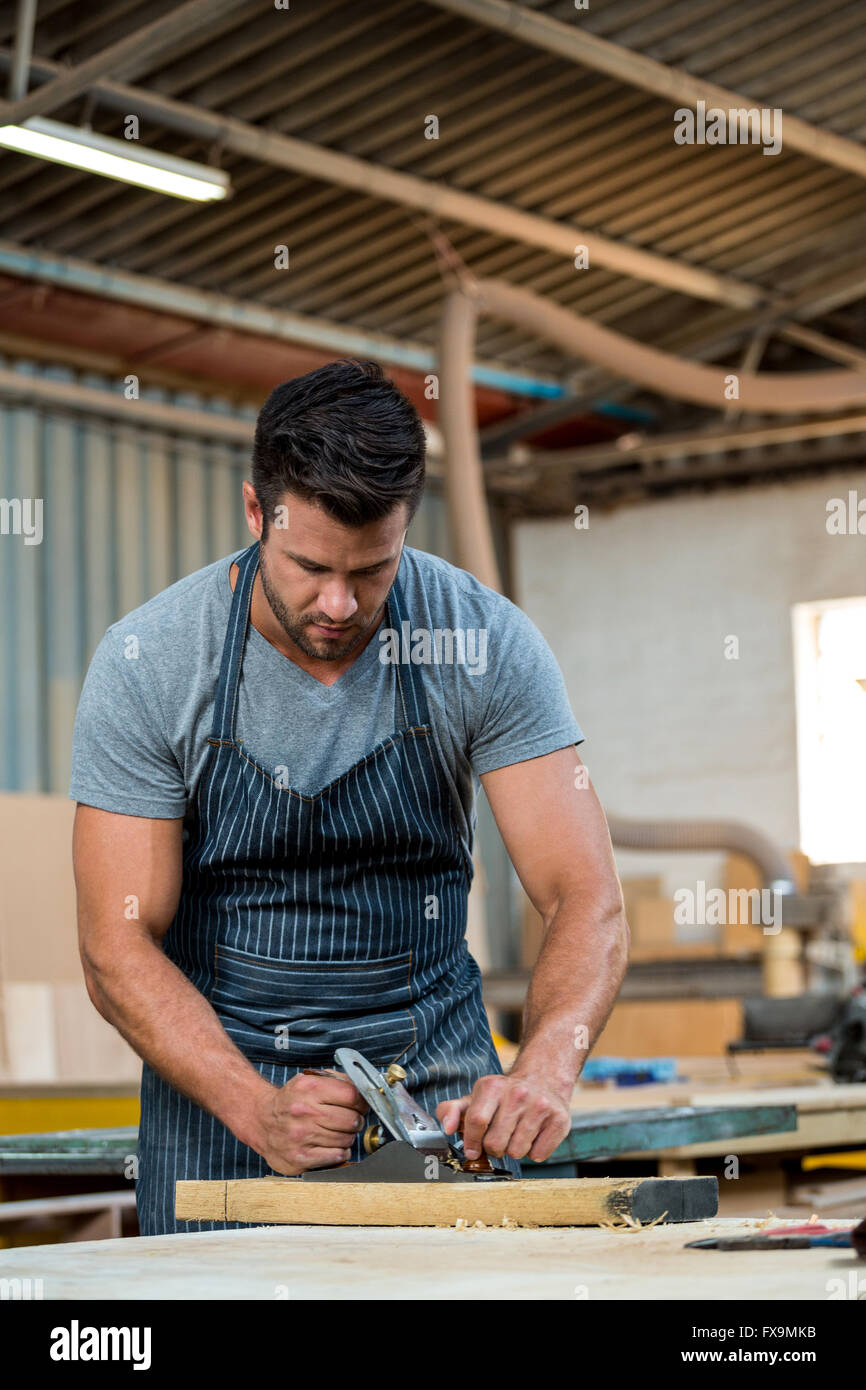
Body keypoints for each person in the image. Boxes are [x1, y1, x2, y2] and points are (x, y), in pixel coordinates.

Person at [70, 358, 628, 1236]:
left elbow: (585, 896)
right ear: (256, 511)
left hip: (437, 1093)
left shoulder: (480, 642)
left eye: (372, 569)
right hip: (227, 1098)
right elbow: (116, 942)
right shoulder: (152, 663)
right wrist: (254, 1107)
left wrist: (547, 1068)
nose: (338, 604)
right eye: (308, 566)